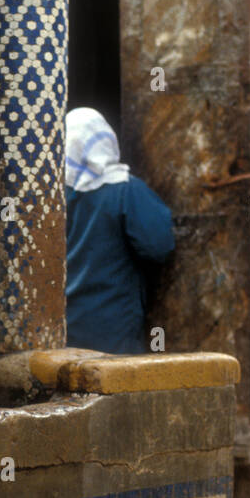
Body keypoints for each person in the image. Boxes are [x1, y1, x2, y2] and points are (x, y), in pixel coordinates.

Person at [65, 107, 175, 355]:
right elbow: (158, 246)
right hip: (111, 326)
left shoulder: (50, 197)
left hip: (63, 329)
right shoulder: (125, 190)